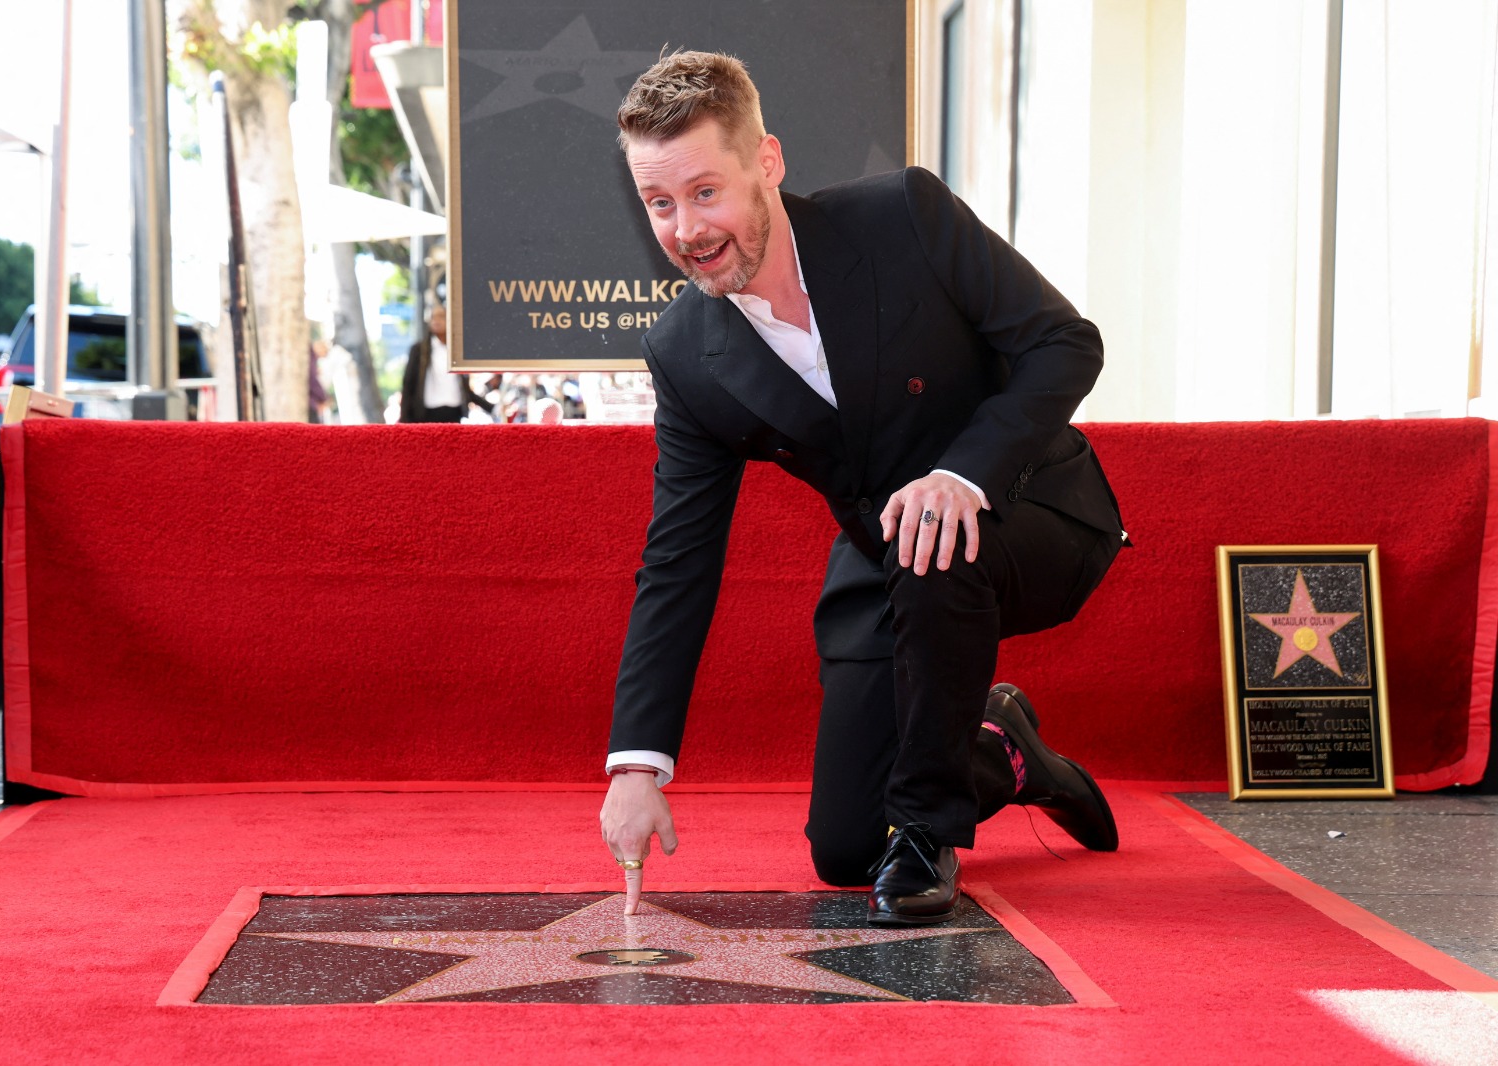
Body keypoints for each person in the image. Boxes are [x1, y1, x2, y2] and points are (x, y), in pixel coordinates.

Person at [599, 51, 1131, 926]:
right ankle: (1003, 749)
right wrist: (636, 765)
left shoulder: (903, 217)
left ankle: (930, 829)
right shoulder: (686, 354)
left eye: (705, 192)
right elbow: (678, 562)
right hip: (887, 560)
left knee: (932, 547)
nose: (686, 229)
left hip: (1035, 511)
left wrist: (963, 473)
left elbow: (1065, 343)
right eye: (659, 203)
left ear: (766, 162)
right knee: (845, 850)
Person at [400, 305, 467, 424]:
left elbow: (465, 387)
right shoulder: (419, 350)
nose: (436, 321)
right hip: (427, 413)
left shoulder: (458, 350)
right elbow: (408, 383)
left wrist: (492, 407)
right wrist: (405, 418)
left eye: (441, 316)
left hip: (454, 412)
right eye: (433, 317)